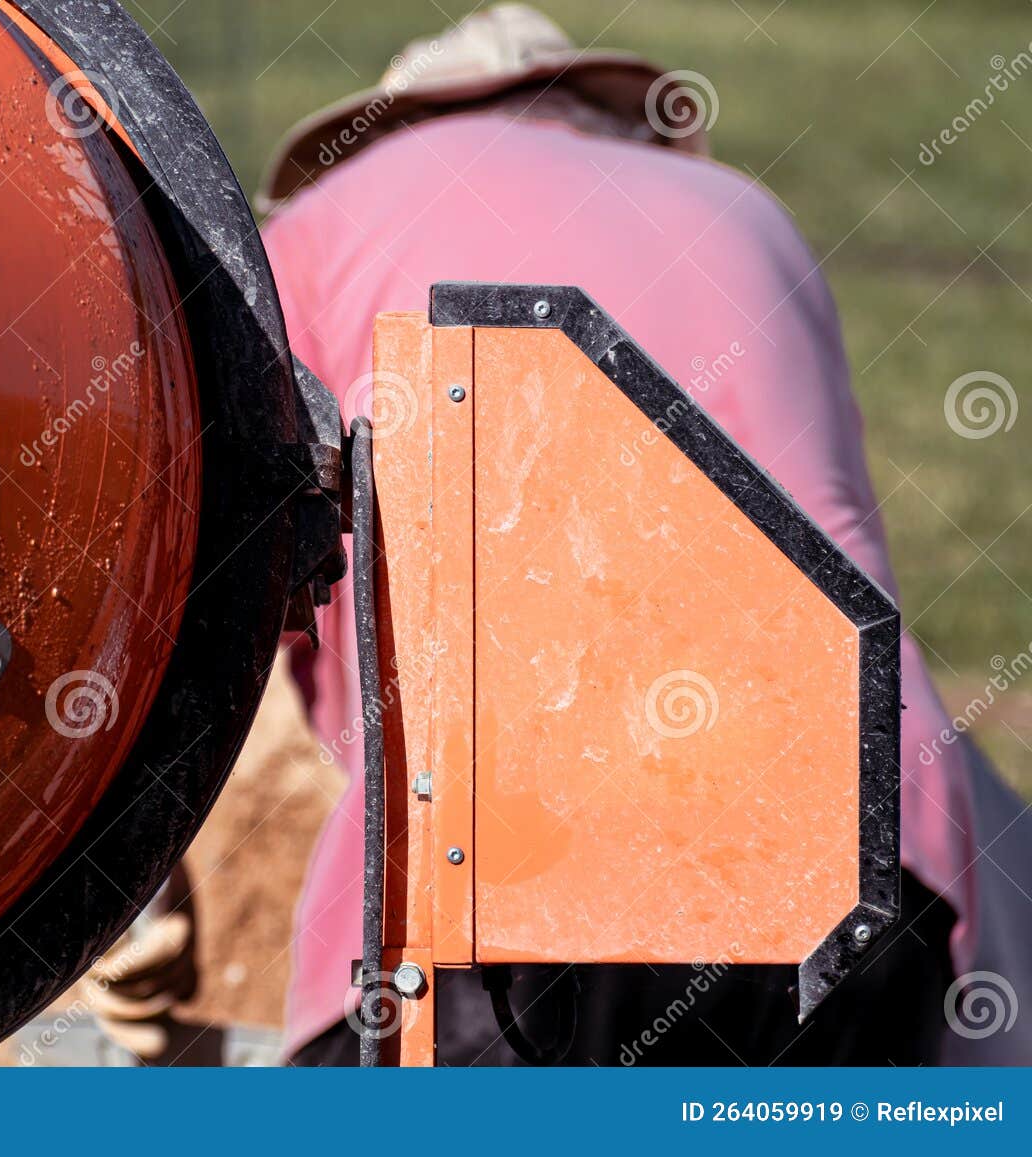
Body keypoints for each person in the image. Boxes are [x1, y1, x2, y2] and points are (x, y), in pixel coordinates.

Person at [256, 4, 1029, 1065]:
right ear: (605, 113)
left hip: (484, 895)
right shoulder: (746, 209)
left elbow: (256, 605)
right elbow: (837, 552)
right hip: (862, 859)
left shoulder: (316, 227)